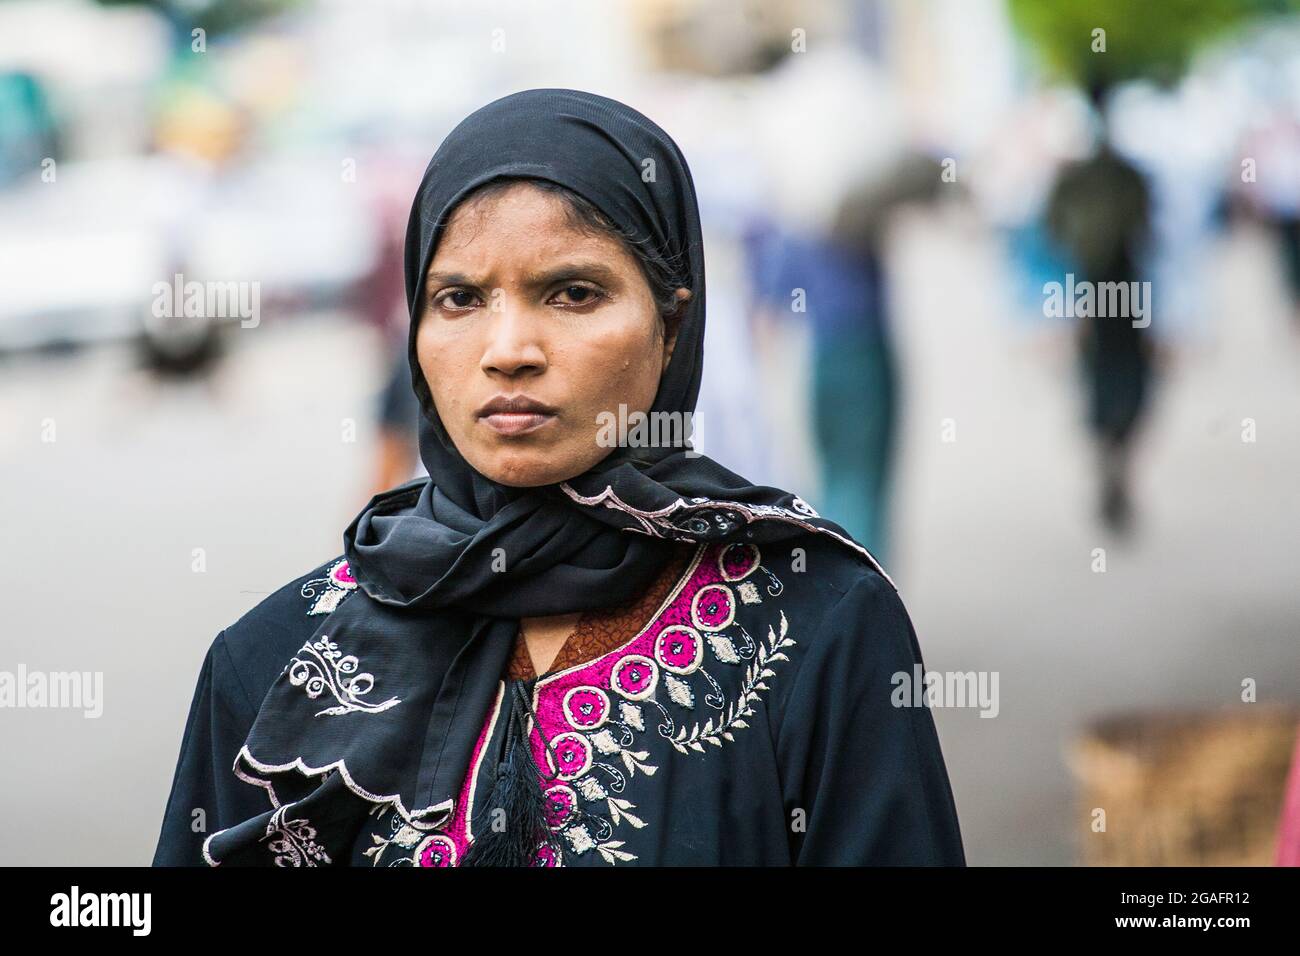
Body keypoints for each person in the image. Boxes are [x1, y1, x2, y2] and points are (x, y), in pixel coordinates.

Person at [151, 89, 965, 867]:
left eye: (573, 293)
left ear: (671, 326)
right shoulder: (275, 661)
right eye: (461, 298)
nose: (508, 349)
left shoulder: (819, 625)